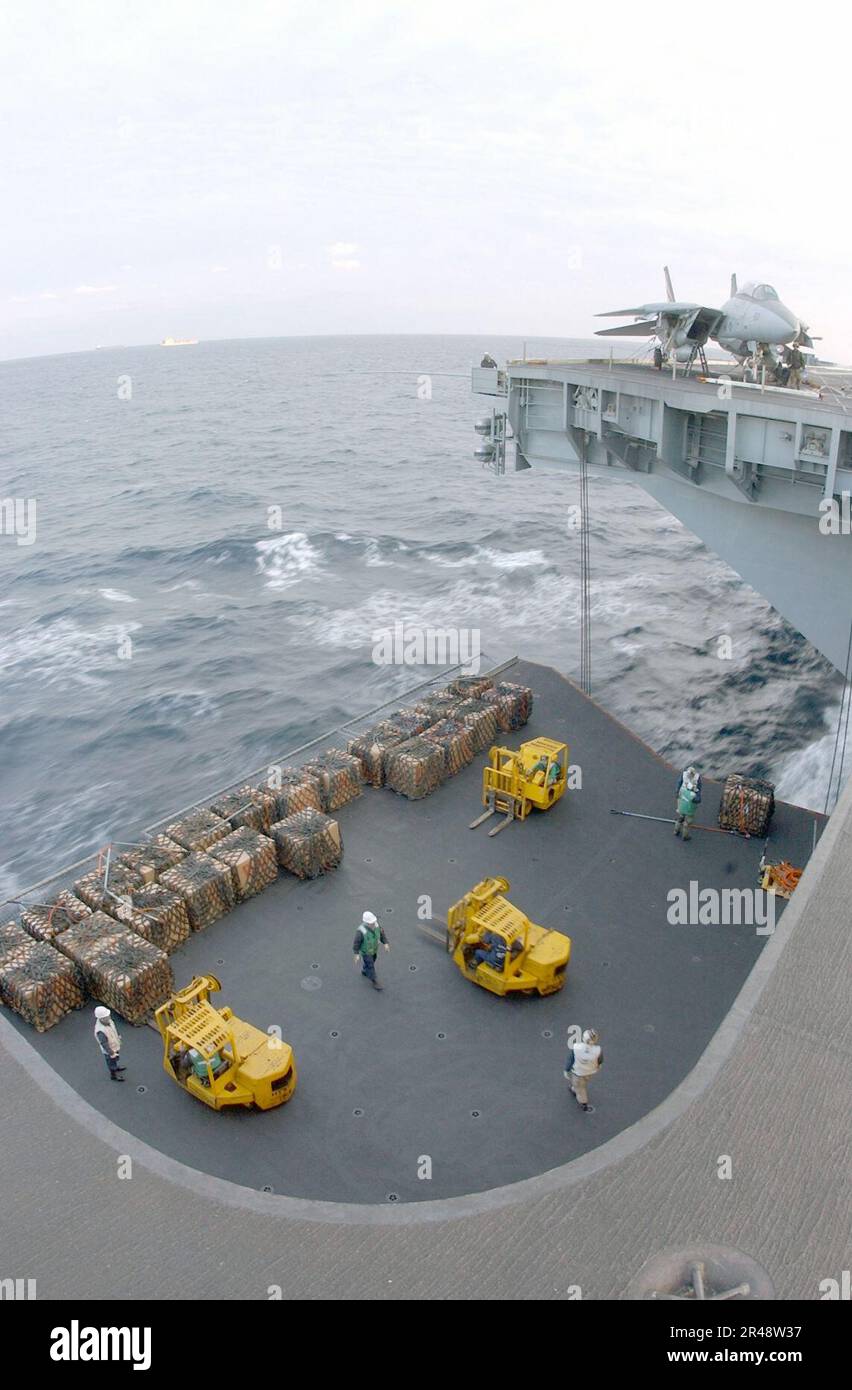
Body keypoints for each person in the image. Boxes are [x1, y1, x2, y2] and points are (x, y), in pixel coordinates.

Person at [564, 1028, 603, 1112]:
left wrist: (566, 1070)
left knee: (580, 1088)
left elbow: (571, 1060)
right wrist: (599, 1066)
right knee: (581, 1083)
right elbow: (600, 1060)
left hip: (578, 1072)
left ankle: (583, 1102)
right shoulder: (597, 1050)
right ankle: (574, 1088)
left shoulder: (577, 1048)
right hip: (590, 1072)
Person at [353, 910, 389, 990]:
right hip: (366, 952)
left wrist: (385, 943)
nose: (373, 924)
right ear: (366, 923)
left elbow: (382, 934)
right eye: (371, 923)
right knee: (370, 965)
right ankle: (374, 981)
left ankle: (365, 971)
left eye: (373, 922)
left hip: (374, 950)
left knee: (372, 961)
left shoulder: (376, 926)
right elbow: (356, 943)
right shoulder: (361, 931)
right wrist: (356, 954)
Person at [94, 1005, 125, 1082]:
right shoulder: (100, 1031)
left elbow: (113, 1030)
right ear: (102, 1019)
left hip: (114, 1046)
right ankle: (113, 1075)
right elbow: (104, 1044)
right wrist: (111, 1053)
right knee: (111, 1062)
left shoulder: (109, 1021)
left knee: (115, 1059)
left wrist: (118, 1036)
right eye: (107, 1016)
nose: (109, 1017)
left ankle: (116, 1067)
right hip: (109, 1051)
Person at [674, 764, 701, 841]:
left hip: (682, 800)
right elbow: (698, 792)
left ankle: (676, 830)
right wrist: (697, 799)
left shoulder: (684, 776)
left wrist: (677, 793)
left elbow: (679, 785)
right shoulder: (696, 780)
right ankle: (685, 836)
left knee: (680, 817)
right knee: (688, 821)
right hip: (690, 803)